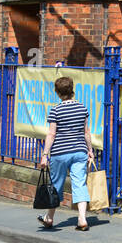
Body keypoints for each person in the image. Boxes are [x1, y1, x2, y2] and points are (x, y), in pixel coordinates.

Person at [38, 76, 95, 231]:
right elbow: (86, 132)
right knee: (80, 184)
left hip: (60, 153)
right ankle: (82, 219)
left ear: (57, 92)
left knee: (56, 185)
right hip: (79, 151)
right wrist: (90, 150)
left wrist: (45, 154)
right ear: (72, 90)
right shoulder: (82, 108)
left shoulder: (55, 110)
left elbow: (51, 134)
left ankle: (49, 218)